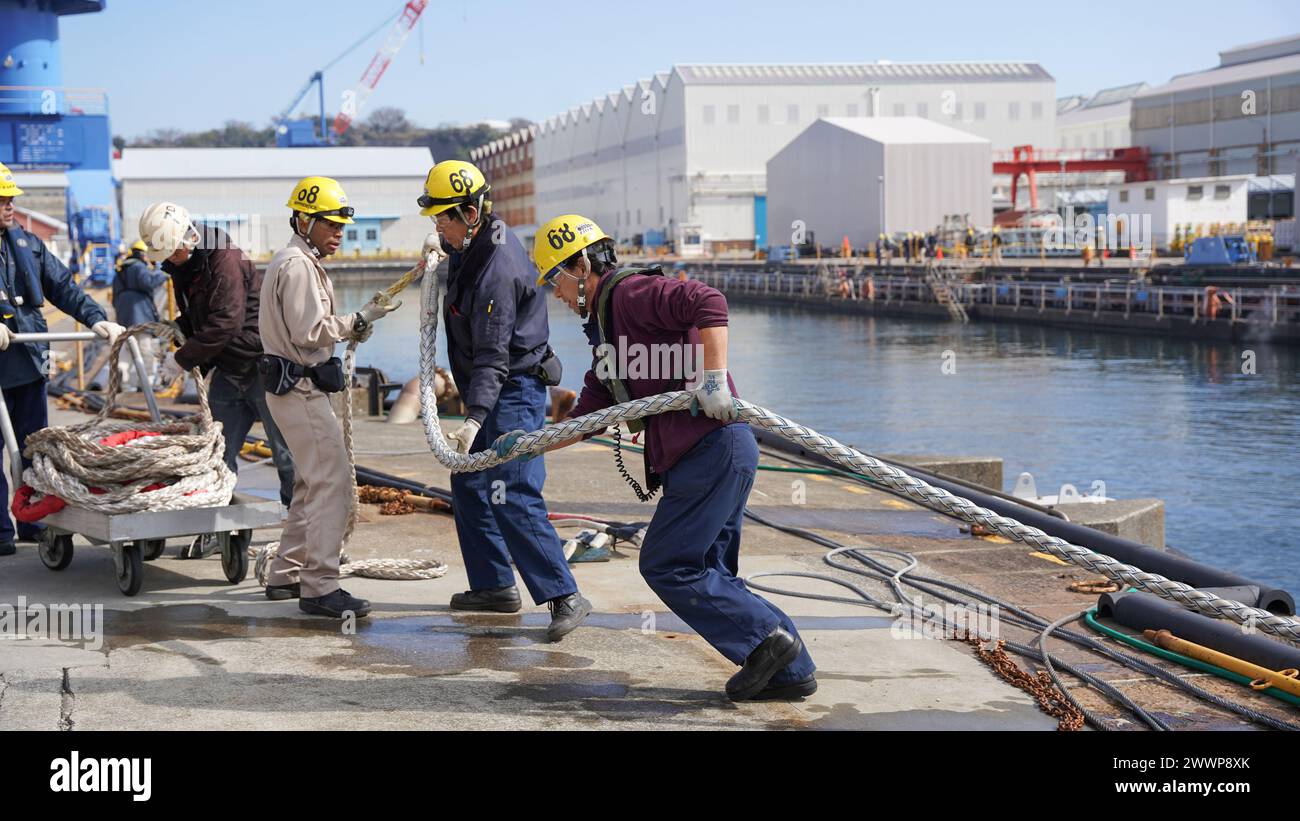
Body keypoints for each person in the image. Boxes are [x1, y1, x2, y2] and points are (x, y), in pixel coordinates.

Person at [519, 213, 818, 701]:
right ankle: (790, 670)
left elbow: (708, 300)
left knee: (667, 563)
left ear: (580, 265)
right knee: (711, 572)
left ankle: (767, 643)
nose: (554, 293)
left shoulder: (631, 295)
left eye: (556, 279)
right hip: (718, 453)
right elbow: (591, 413)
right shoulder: (607, 329)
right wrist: (527, 443)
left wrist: (715, 379)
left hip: (710, 451)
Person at [418, 160, 590, 642]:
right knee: (470, 483)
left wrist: (473, 419)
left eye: (443, 219)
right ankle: (494, 585)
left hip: (512, 388)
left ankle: (565, 595)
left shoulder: (497, 269)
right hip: (490, 384)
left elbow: (494, 357)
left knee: (513, 488)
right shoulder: (479, 241)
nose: (438, 227)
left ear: (470, 213)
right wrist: (442, 256)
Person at [259, 176, 399, 618]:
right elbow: (310, 332)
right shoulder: (298, 265)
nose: (339, 232)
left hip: (293, 387)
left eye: (342, 225)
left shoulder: (294, 260)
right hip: (300, 388)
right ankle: (319, 585)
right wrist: (356, 319)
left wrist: (352, 323)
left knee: (309, 481)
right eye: (331, 224)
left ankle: (286, 572)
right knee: (333, 484)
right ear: (304, 221)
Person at [140, 202, 295, 541]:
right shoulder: (185, 264)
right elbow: (204, 313)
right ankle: (217, 532)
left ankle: (302, 532)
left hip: (261, 364)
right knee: (218, 455)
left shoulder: (223, 260)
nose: (168, 261)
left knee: (286, 456)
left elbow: (226, 321)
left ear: (188, 239)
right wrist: (178, 326)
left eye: (171, 253)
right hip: (228, 365)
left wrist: (181, 359)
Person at [0, 161, 124, 556]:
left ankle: (33, 520)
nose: (9, 206)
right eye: (2, 199)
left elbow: (64, 288)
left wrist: (97, 319)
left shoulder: (27, 244)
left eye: (10, 199)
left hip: (28, 364)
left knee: (35, 450)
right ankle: (0, 533)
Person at [111, 239, 170, 389]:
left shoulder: (120, 270)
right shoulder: (138, 267)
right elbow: (148, 282)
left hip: (123, 315)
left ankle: (122, 372)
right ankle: (146, 382)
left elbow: (114, 297)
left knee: (126, 346)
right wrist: (163, 271)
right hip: (140, 315)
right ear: (142, 254)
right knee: (146, 349)